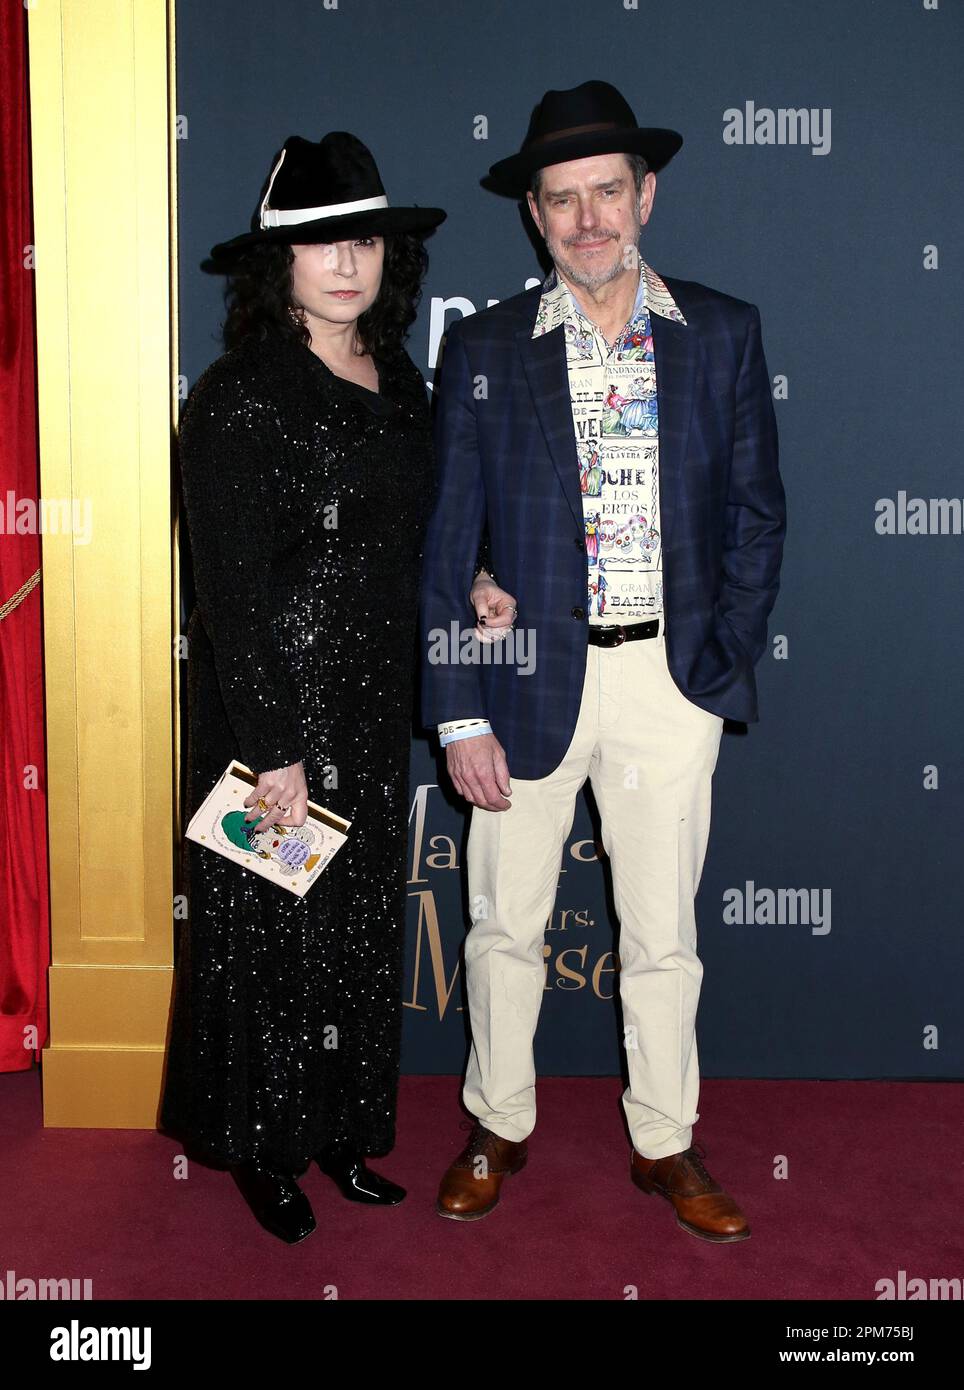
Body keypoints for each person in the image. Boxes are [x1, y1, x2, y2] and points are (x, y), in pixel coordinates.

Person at [419, 81, 786, 1241]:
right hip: (523, 675)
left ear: (646, 195)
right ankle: (497, 1122)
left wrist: (714, 663)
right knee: (500, 922)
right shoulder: (483, 349)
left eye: (606, 193)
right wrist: (458, 714)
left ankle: (664, 1140)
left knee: (662, 933)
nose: (587, 220)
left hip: (664, 685)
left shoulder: (721, 332)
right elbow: (444, 544)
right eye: (562, 199)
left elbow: (756, 520)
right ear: (533, 215)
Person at [159, 131, 515, 1244]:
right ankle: (263, 1151)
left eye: (362, 239)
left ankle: (335, 1134)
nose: (346, 263)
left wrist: (474, 578)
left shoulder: (399, 376)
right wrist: (272, 744)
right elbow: (227, 592)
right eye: (320, 246)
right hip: (267, 713)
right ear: (281, 265)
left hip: (365, 705)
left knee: (355, 926)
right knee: (268, 930)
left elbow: (407, 536)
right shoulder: (235, 397)